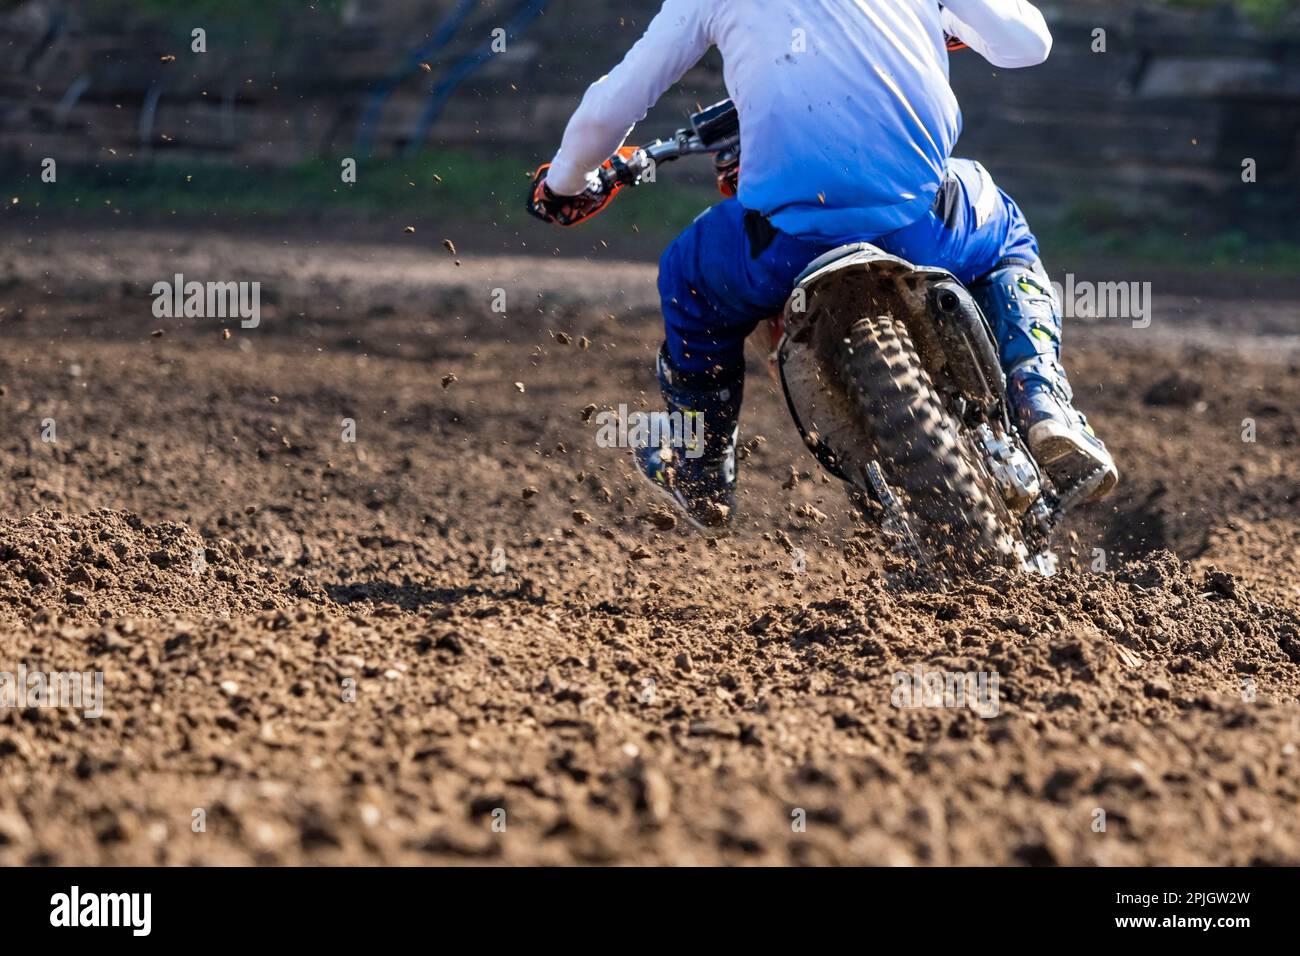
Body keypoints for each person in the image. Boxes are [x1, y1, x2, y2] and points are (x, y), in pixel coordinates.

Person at [529, 0, 1118, 529]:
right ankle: (1041, 398)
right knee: (1007, 235)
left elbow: (608, 109)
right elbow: (1028, 44)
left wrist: (566, 185)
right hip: (922, 226)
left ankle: (701, 465)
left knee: (688, 278)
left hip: (788, 243)